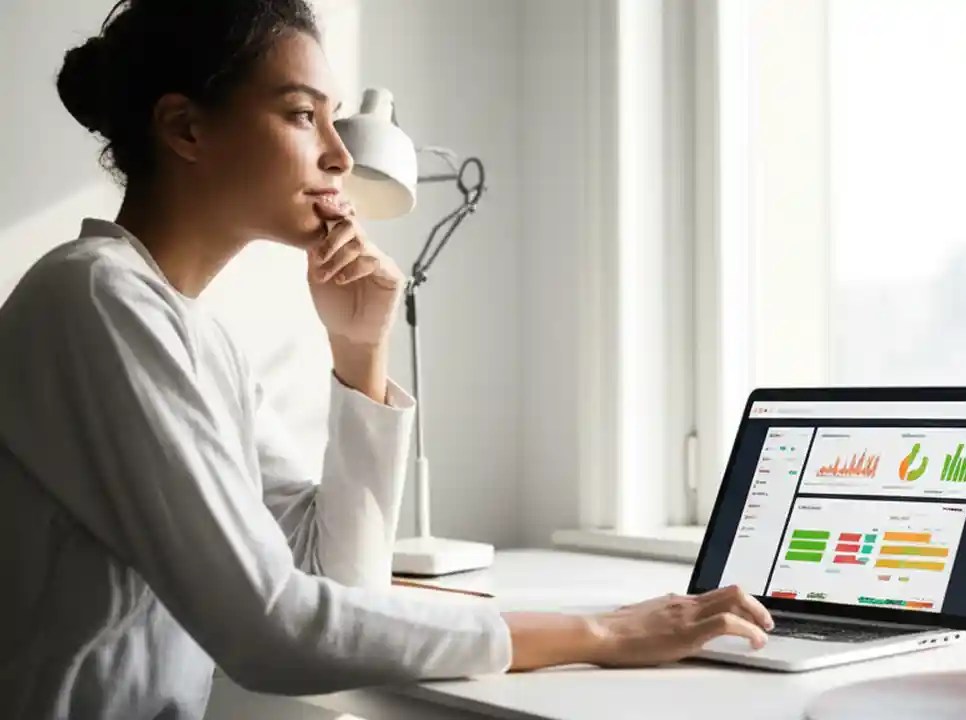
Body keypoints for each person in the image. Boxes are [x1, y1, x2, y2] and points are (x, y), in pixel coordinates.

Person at [0, 1, 773, 718]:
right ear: (186, 129)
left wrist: (361, 351)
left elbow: (334, 585)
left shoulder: (193, 335)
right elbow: (272, 630)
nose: (339, 156)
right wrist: (597, 635)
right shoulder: (96, 301)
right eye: (304, 115)